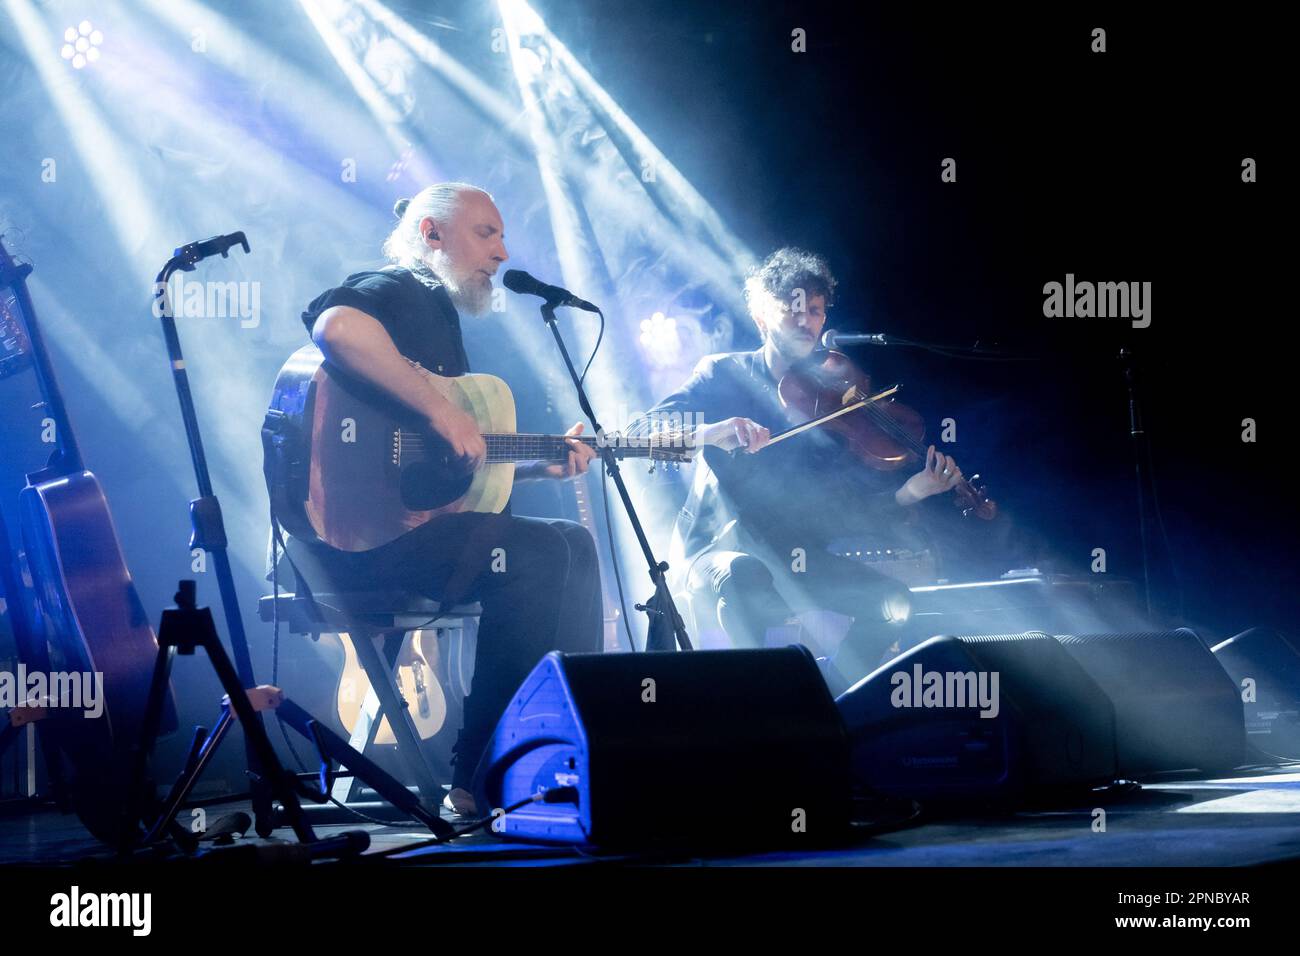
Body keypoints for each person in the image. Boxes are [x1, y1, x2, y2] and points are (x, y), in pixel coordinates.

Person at [283, 182, 601, 816]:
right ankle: (483, 772)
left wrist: (536, 466)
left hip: (406, 534)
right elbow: (334, 327)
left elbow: (437, 470)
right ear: (431, 235)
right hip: (355, 546)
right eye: (487, 234)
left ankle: (560, 750)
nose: (503, 252)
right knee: (538, 555)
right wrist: (438, 409)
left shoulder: (439, 315)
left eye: (503, 236)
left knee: (574, 543)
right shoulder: (403, 288)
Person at [641, 247, 966, 691]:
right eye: (791, 308)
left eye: (814, 309)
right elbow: (644, 432)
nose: (804, 320)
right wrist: (713, 431)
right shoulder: (722, 373)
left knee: (892, 600)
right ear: (760, 317)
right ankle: (756, 704)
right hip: (717, 548)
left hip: (791, 556)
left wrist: (911, 491)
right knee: (744, 578)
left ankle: (829, 699)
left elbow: (842, 507)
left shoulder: (831, 399)